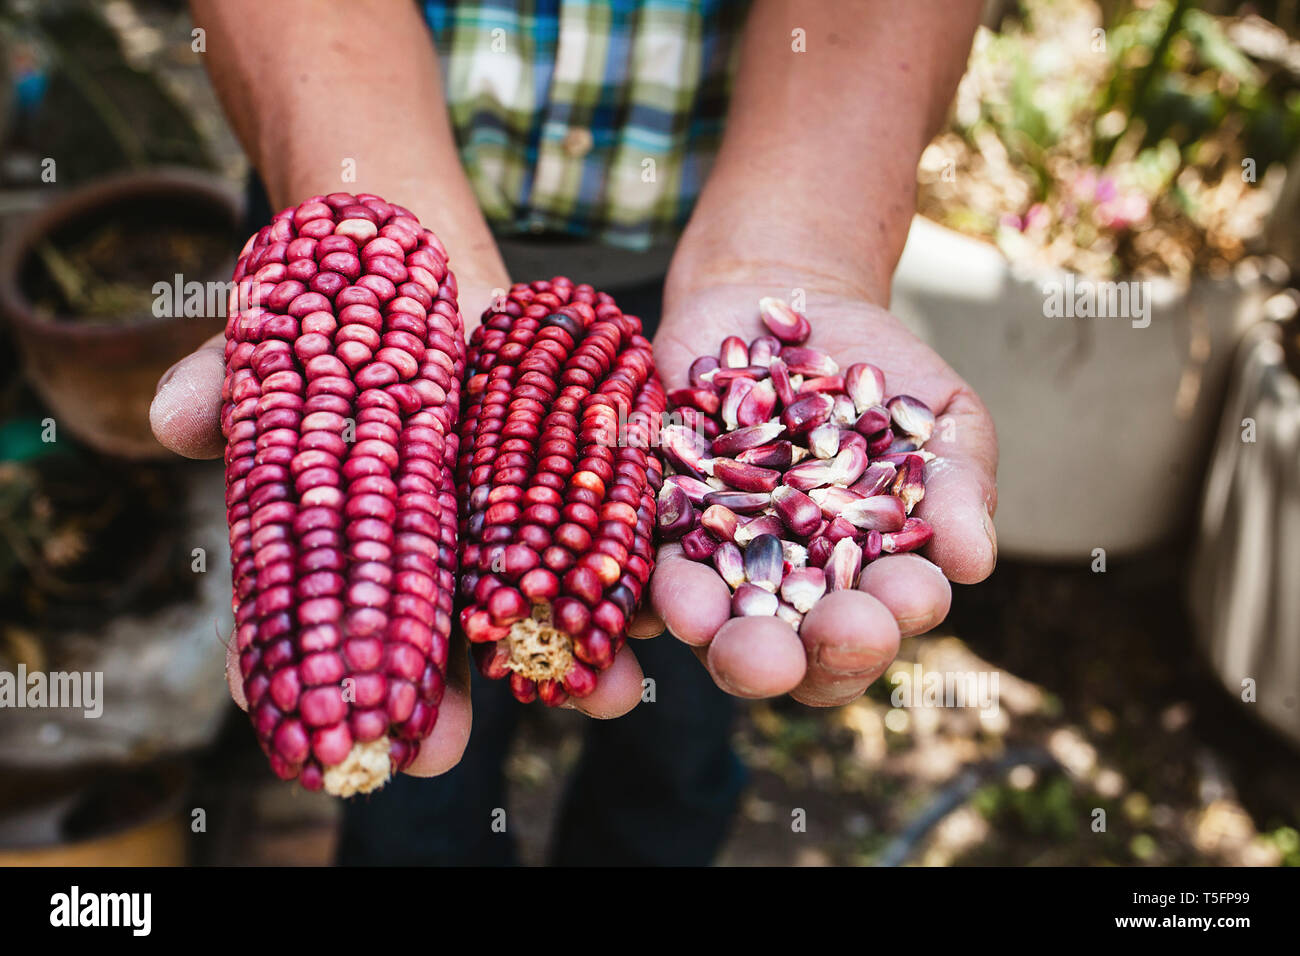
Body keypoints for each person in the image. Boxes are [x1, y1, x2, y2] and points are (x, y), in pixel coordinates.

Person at [150, 0, 998, 865]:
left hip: (702, 268)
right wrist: (359, 226)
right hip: (364, 169)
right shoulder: (349, 268)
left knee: (679, 722)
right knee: (420, 798)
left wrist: (814, 244)